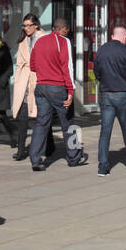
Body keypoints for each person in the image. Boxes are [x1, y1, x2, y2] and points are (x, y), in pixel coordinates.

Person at [27, 18, 88, 170]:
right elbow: (67, 66)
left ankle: (35, 159)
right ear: (64, 29)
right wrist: (70, 90)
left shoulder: (39, 41)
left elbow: (33, 65)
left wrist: (44, 71)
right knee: (69, 123)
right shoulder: (63, 41)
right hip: (58, 87)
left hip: (41, 87)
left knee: (41, 123)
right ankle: (74, 157)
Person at [92, 24, 126, 176]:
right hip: (123, 95)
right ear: (124, 37)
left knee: (105, 131)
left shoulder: (102, 50)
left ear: (112, 36)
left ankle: (103, 167)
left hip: (106, 95)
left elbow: (96, 72)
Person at [11, 13, 55, 162]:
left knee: (41, 116)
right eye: (24, 25)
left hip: (39, 79)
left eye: (29, 25)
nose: (26, 28)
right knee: (22, 117)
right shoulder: (23, 39)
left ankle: (47, 146)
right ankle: (20, 150)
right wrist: (17, 79)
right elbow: (19, 62)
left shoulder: (45, 38)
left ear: (36, 25)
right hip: (24, 81)